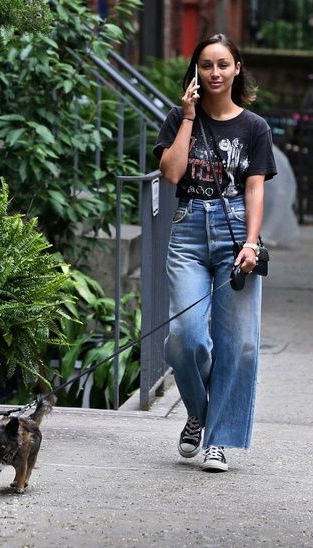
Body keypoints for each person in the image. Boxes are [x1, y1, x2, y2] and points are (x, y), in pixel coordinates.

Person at [153, 34, 277, 472]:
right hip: (188, 231)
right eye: (206, 65)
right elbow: (170, 175)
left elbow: (255, 189)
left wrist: (251, 242)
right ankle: (199, 411)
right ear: (196, 72)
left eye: (223, 64)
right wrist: (187, 118)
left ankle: (218, 439)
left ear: (237, 68)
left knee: (240, 345)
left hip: (237, 231)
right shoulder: (178, 117)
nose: (215, 73)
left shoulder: (255, 127)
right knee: (185, 335)